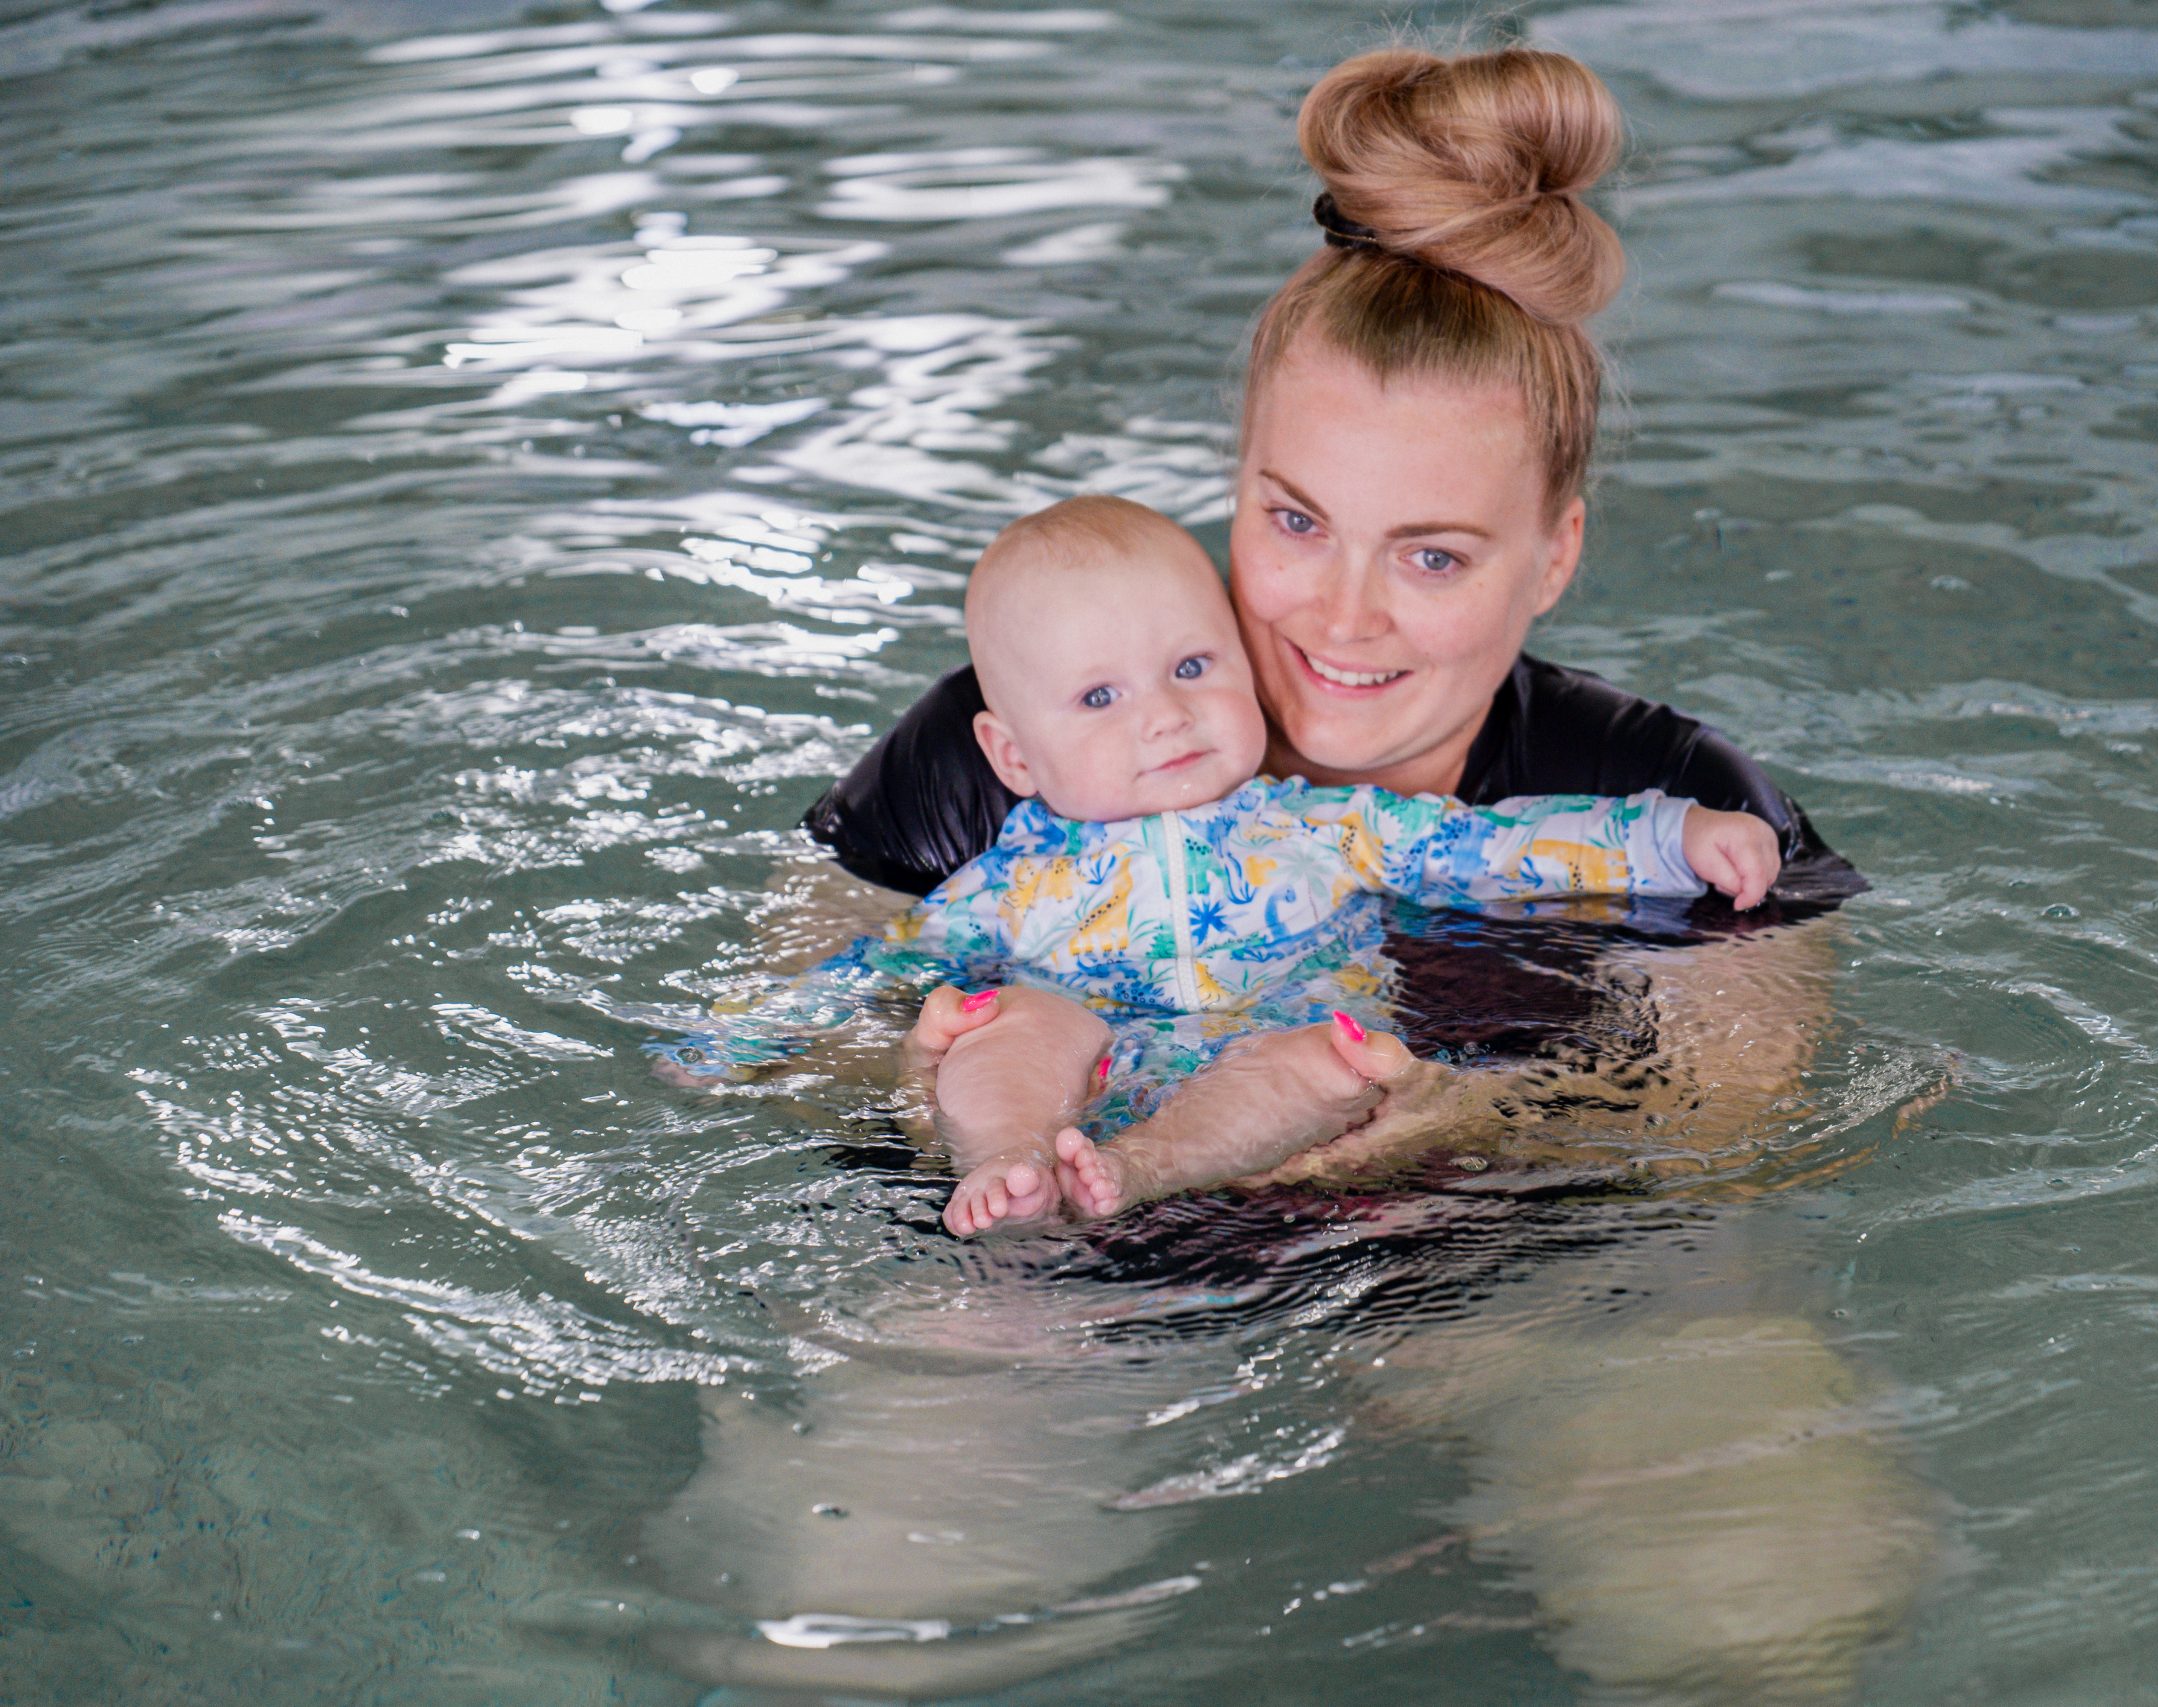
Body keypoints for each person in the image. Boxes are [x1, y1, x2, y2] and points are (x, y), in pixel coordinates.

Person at [646, 44, 1933, 1703]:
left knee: (1758, 1608)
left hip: (1521, 1297)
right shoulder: (1029, 740)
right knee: (850, 1607)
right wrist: (936, 1086)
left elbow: (1737, 1119)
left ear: (1554, 551)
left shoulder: (1671, 808)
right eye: (1297, 521)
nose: (1340, 617)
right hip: (1081, 1285)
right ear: (1234, 487)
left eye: (1435, 554)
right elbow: (775, 1014)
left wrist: (1464, 1127)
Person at [663, 493, 1788, 1236]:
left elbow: (1497, 845)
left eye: (1193, 667)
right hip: (1090, 1076)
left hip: (1260, 1082)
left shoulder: (1325, 823)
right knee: (1001, 1022)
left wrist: (1668, 836)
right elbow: (880, 959)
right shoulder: (1009, 881)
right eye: (1100, 697)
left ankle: (1140, 1172)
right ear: (1013, 756)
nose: (1163, 715)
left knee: (1336, 1059)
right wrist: (741, 1037)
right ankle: (1009, 1161)